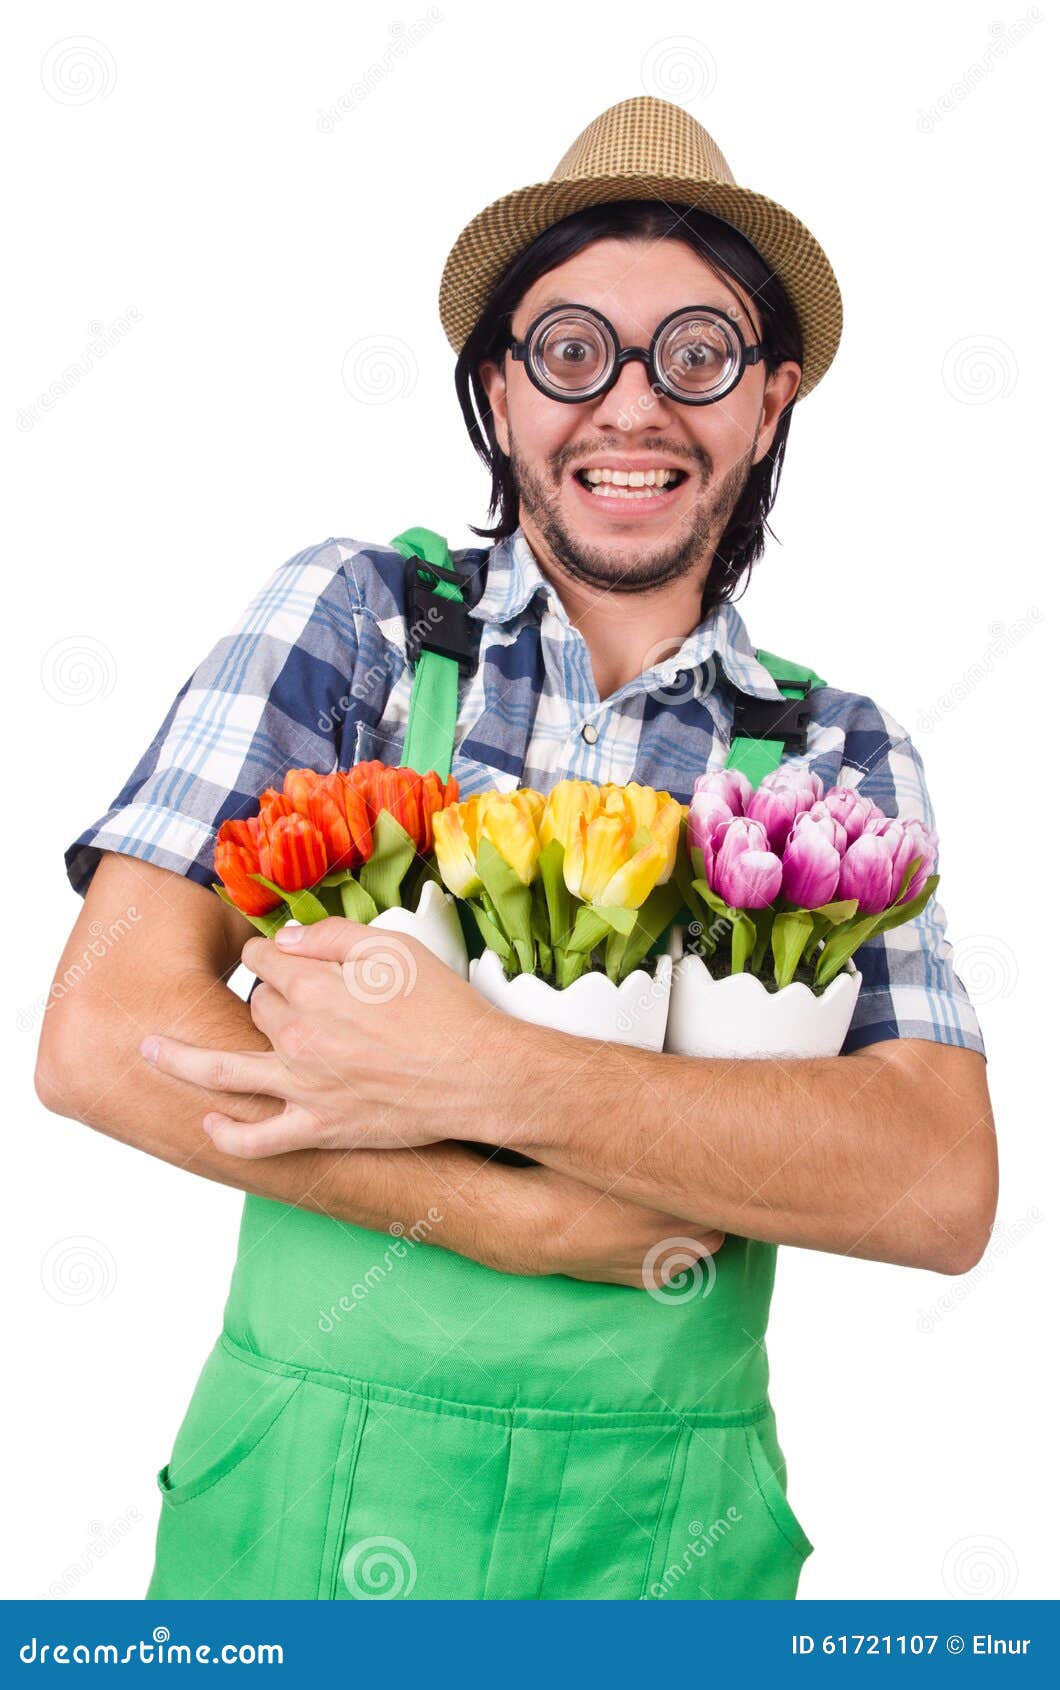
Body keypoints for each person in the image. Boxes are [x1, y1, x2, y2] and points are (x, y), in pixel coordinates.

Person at [37, 95, 996, 1602]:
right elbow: (104, 1035)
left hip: (665, 1549)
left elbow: (936, 1183)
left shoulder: (835, 755)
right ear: (497, 389)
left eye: (697, 354)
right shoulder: (356, 623)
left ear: (771, 399)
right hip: (301, 1514)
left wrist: (481, 1074)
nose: (631, 407)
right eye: (569, 353)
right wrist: (522, 1218)